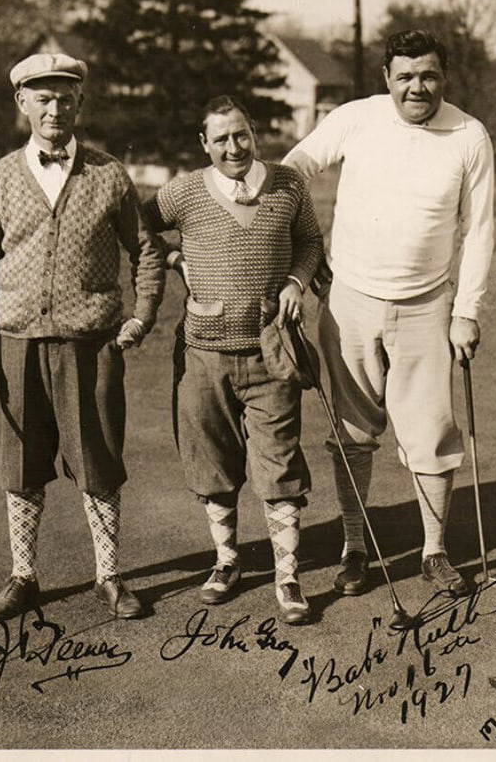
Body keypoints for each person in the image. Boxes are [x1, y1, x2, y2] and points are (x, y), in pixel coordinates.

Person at [283, 29, 496, 598]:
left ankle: (434, 551)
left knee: (430, 433)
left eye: (428, 75)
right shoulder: (357, 117)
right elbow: (294, 170)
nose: (416, 87)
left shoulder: (470, 134)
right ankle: (356, 548)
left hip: (428, 305)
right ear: (387, 79)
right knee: (352, 433)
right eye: (404, 76)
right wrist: (303, 253)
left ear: (443, 78)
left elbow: (478, 232)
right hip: (350, 300)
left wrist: (467, 312)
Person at [0, 52, 165, 621]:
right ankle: (24, 576)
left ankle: (109, 576)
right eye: (43, 98)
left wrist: (142, 314)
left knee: (97, 463)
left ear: (80, 103)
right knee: (23, 469)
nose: (55, 109)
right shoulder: (0, 178)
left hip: (91, 344)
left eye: (66, 98)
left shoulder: (108, 174)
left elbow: (146, 250)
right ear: (22, 103)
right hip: (17, 346)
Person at [144, 96, 324, 625]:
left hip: (273, 350)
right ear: (204, 144)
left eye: (241, 135)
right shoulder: (183, 192)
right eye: (220, 139)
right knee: (212, 461)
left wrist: (296, 280)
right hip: (203, 352)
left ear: (255, 135)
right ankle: (227, 561)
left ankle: (287, 575)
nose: (233, 147)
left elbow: (310, 240)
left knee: (279, 463)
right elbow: (138, 230)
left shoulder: (289, 184)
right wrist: (173, 258)